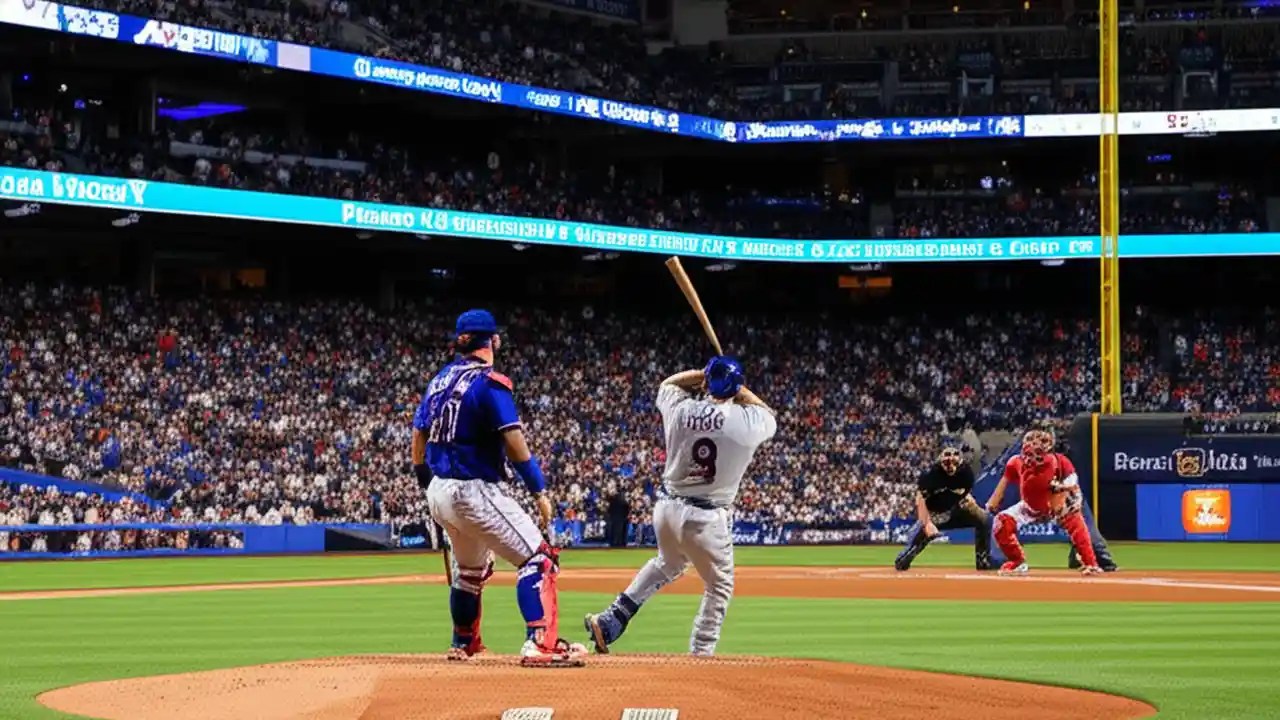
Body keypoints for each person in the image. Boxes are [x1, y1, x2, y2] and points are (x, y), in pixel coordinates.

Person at [412, 309, 586, 667]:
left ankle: (463, 643)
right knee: (539, 558)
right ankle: (540, 644)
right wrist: (538, 488)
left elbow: (419, 433)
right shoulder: (490, 383)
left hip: (440, 490)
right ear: (490, 340)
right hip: (472, 490)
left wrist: (426, 483)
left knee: (470, 571)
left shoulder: (439, 381)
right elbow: (513, 440)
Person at [583, 356, 776, 656]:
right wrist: (740, 388)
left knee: (668, 563)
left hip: (667, 509)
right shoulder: (746, 422)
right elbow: (767, 413)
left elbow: (668, 384)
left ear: (708, 382)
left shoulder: (681, 409)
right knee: (720, 585)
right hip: (707, 516)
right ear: (735, 388)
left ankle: (612, 620)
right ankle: (701, 652)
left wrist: (704, 373)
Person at [986, 430, 1102, 576]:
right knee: (1001, 522)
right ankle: (1017, 562)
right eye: (1029, 451)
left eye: (1038, 451)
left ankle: (1091, 563)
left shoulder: (1060, 461)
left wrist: (1066, 498)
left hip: (1056, 501)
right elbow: (1006, 479)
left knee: (1076, 523)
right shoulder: (1015, 462)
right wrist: (993, 500)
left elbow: (1072, 483)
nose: (1033, 457)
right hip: (1030, 506)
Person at [894, 446, 995, 572]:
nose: (950, 465)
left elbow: (964, 492)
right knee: (903, 561)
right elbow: (920, 500)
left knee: (985, 519)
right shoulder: (930, 475)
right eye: (947, 458)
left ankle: (983, 560)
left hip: (957, 509)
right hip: (935, 514)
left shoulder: (967, 474)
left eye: (954, 459)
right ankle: (904, 558)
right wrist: (927, 523)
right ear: (940, 460)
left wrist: (968, 502)